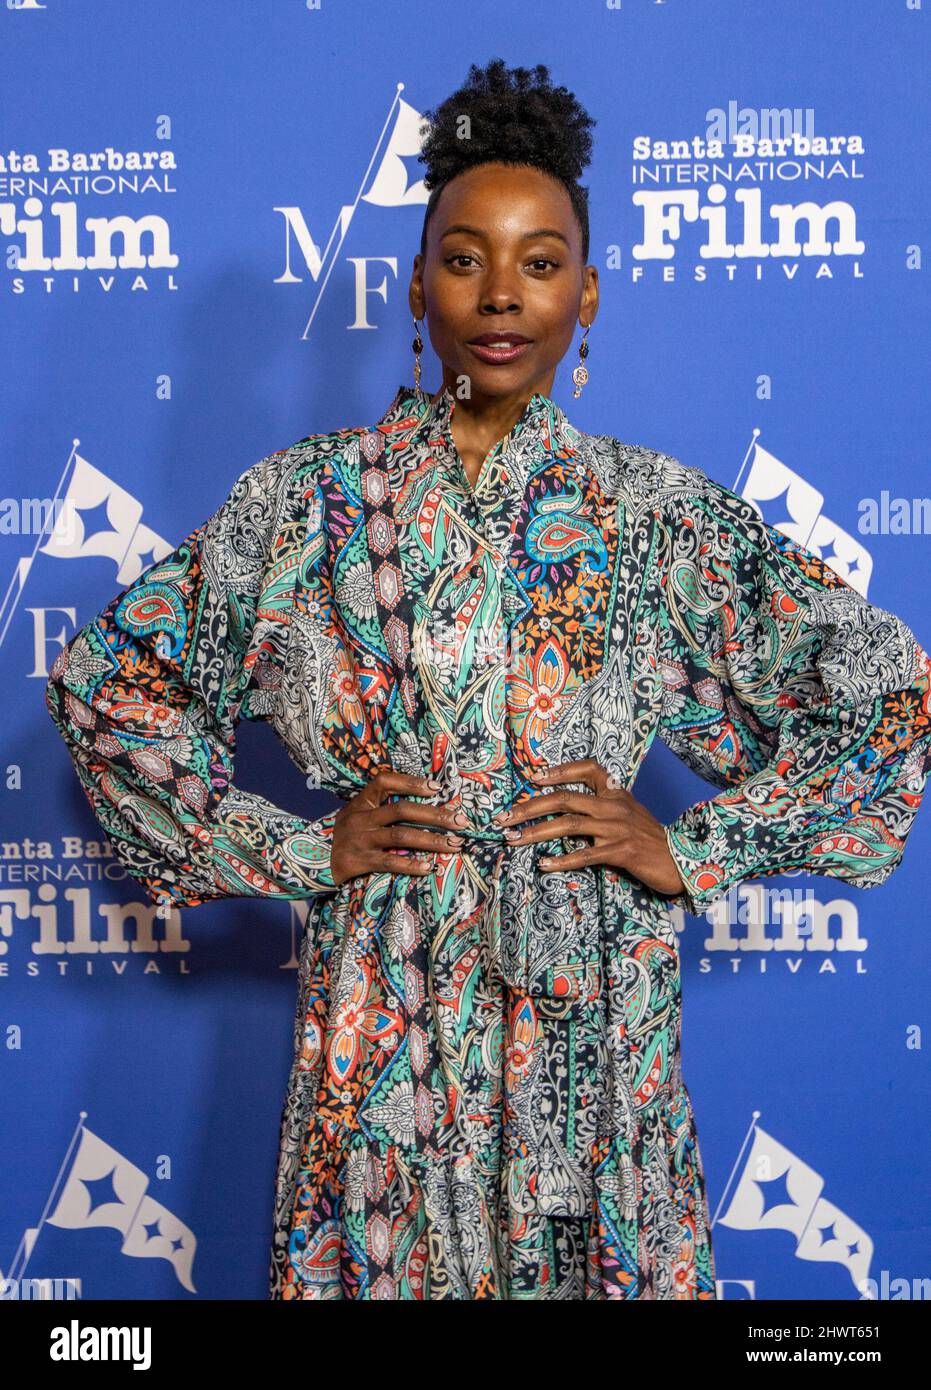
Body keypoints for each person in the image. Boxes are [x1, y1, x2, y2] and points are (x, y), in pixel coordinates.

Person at [46, 58, 931, 1301]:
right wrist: (299, 852)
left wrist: (701, 844)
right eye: (465, 257)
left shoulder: (649, 513)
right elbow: (104, 684)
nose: (501, 295)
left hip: (588, 1023)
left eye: (539, 260)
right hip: (383, 1015)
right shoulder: (306, 503)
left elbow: (884, 681)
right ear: (414, 286)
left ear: (587, 292)